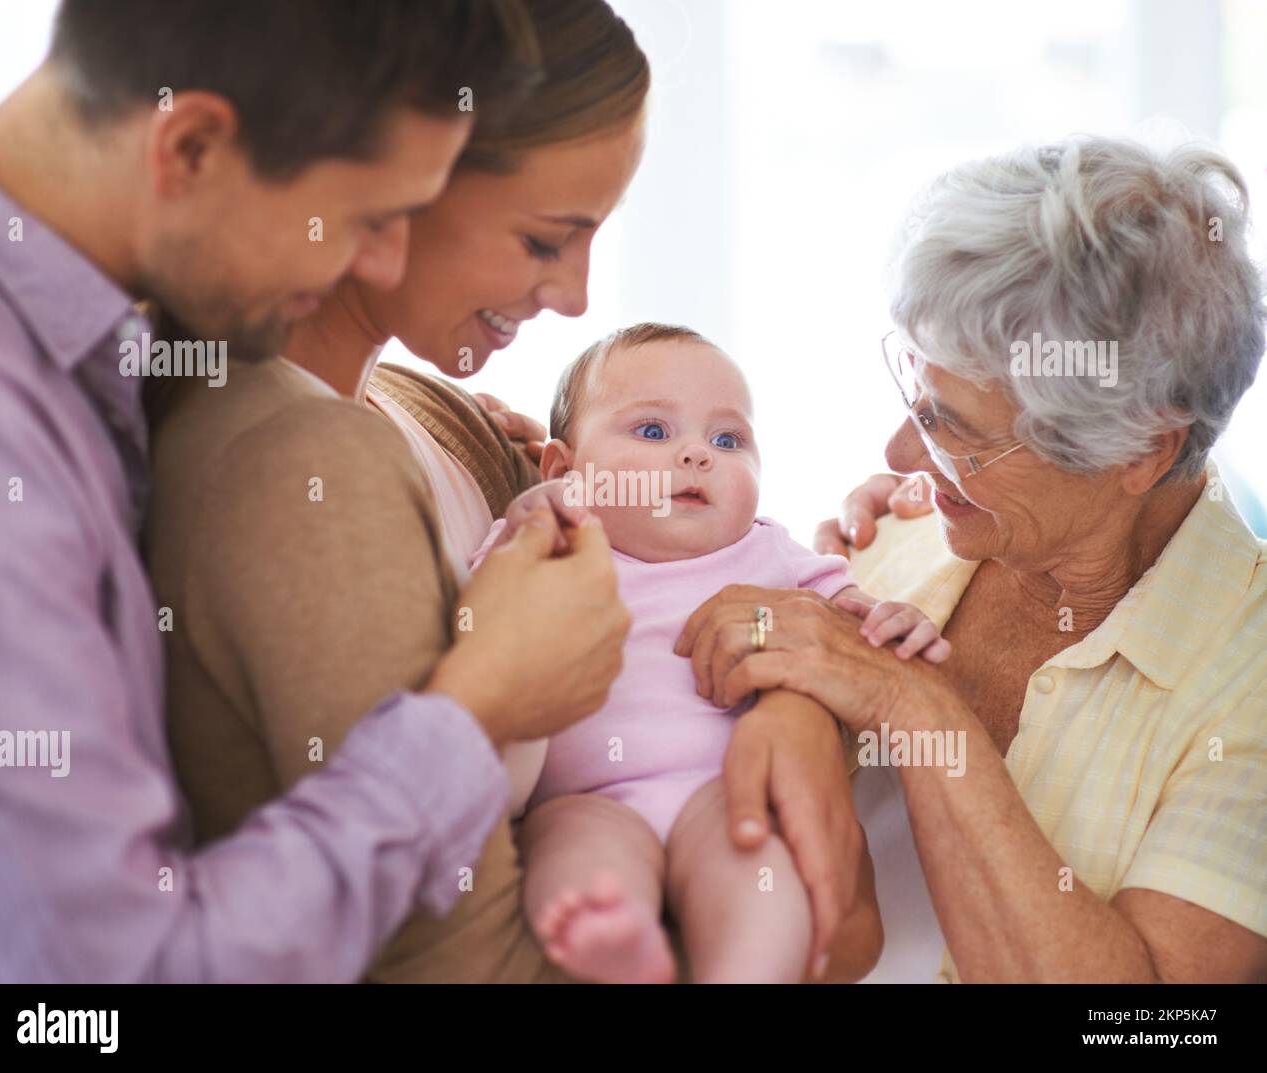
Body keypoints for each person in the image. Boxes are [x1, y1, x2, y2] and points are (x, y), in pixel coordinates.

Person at [151, 0, 870, 983]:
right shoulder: (304, 461)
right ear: (399, 182)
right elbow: (454, 951)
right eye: (543, 239)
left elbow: (686, 579)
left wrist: (801, 709)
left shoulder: (432, 411)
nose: (576, 295)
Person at [0, 0, 626, 983]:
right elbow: (104, 983)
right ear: (189, 146)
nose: (383, 267)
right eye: (365, 219)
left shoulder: (89, 349)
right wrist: (474, 704)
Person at [678, 137, 1267, 982]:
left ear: (1142, 449)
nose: (898, 452)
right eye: (919, 400)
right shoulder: (903, 534)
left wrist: (914, 709)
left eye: (959, 429)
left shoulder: (1251, 675)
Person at [485, 323, 953, 982]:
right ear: (565, 469)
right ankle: (617, 945)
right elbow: (483, 609)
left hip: (727, 791)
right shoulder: (549, 539)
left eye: (727, 439)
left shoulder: (772, 551)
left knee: (761, 878)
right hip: (587, 795)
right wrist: (525, 522)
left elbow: (853, 623)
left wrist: (896, 620)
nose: (697, 455)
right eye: (652, 431)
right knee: (570, 864)